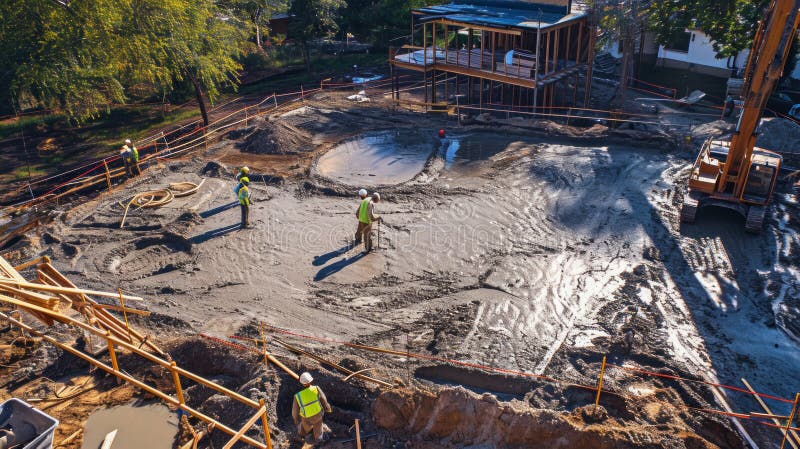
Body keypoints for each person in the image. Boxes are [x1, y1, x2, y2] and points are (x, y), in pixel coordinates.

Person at [292, 372, 332, 444]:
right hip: (318, 415)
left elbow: (295, 410)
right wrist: (327, 408)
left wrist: (295, 419)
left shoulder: (297, 396)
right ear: (311, 381)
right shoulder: (316, 388)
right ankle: (319, 440)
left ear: (302, 383)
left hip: (306, 418)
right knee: (318, 428)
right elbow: (323, 399)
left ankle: (301, 436)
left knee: (303, 427)